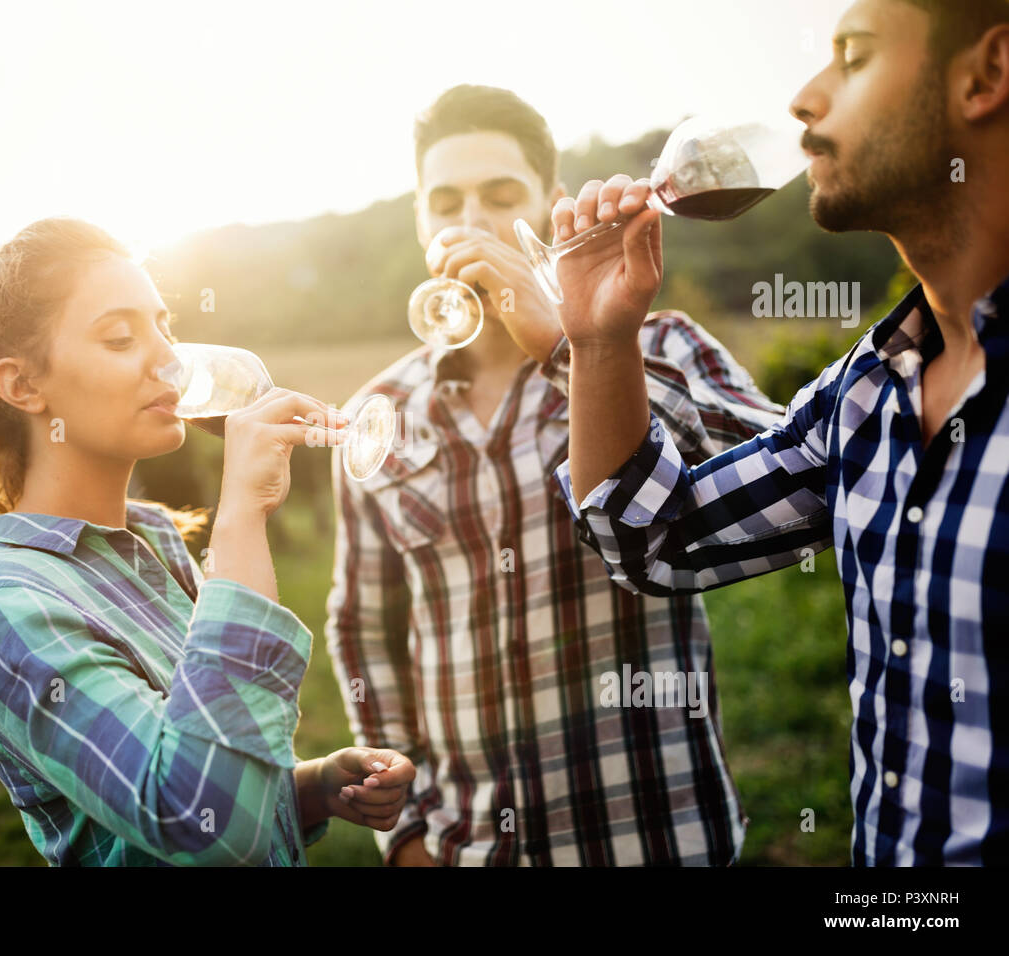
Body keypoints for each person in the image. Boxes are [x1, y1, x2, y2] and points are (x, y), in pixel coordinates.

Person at [551, 0, 1009, 865]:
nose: (804, 97)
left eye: (854, 56)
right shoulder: (865, 400)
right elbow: (656, 538)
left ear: (984, 76)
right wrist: (603, 342)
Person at [325, 85, 785, 866]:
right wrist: (404, 835)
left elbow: (790, 477)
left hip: (653, 838)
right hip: (465, 848)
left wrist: (569, 348)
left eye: (500, 195)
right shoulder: (377, 412)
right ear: (420, 220)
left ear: (550, 204)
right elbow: (364, 627)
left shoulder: (659, 346)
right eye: (446, 201)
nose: (468, 220)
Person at [0, 217, 415, 866]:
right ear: (23, 385)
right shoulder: (4, 602)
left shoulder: (154, 543)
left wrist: (309, 788)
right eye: (120, 337)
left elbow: (206, 755)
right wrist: (241, 519)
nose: (169, 361)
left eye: (165, 328)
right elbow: (201, 825)